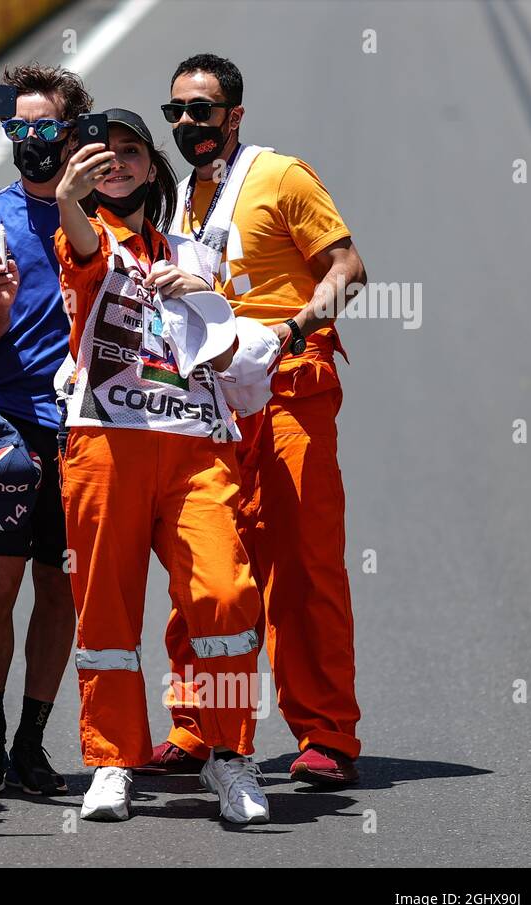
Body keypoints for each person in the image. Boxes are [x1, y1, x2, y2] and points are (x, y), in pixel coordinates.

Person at [147, 53, 367, 786]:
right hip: (207, 406)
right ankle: (198, 723)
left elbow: (349, 271)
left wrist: (293, 331)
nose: (187, 123)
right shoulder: (177, 197)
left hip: (287, 393)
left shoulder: (280, 176)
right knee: (204, 568)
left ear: (234, 116)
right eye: (176, 110)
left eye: (201, 111)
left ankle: (326, 731)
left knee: (303, 567)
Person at [54, 108, 272, 824]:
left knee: (227, 598)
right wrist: (66, 194)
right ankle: (113, 760)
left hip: (197, 450)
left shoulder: (199, 251)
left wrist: (204, 296)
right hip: (104, 445)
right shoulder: (82, 238)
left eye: (128, 152)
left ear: (153, 164)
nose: (114, 163)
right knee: (107, 608)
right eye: (100, 156)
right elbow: (81, 246)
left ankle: (229, 755)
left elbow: (239, 351)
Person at [0, 64, 92, 795]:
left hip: (83, 425)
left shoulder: (102, 211)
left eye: (45, 126)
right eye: (19, 127)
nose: (31, 139)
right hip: (5, 421)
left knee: (60, 585)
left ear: (73, 130)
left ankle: (32, 742)